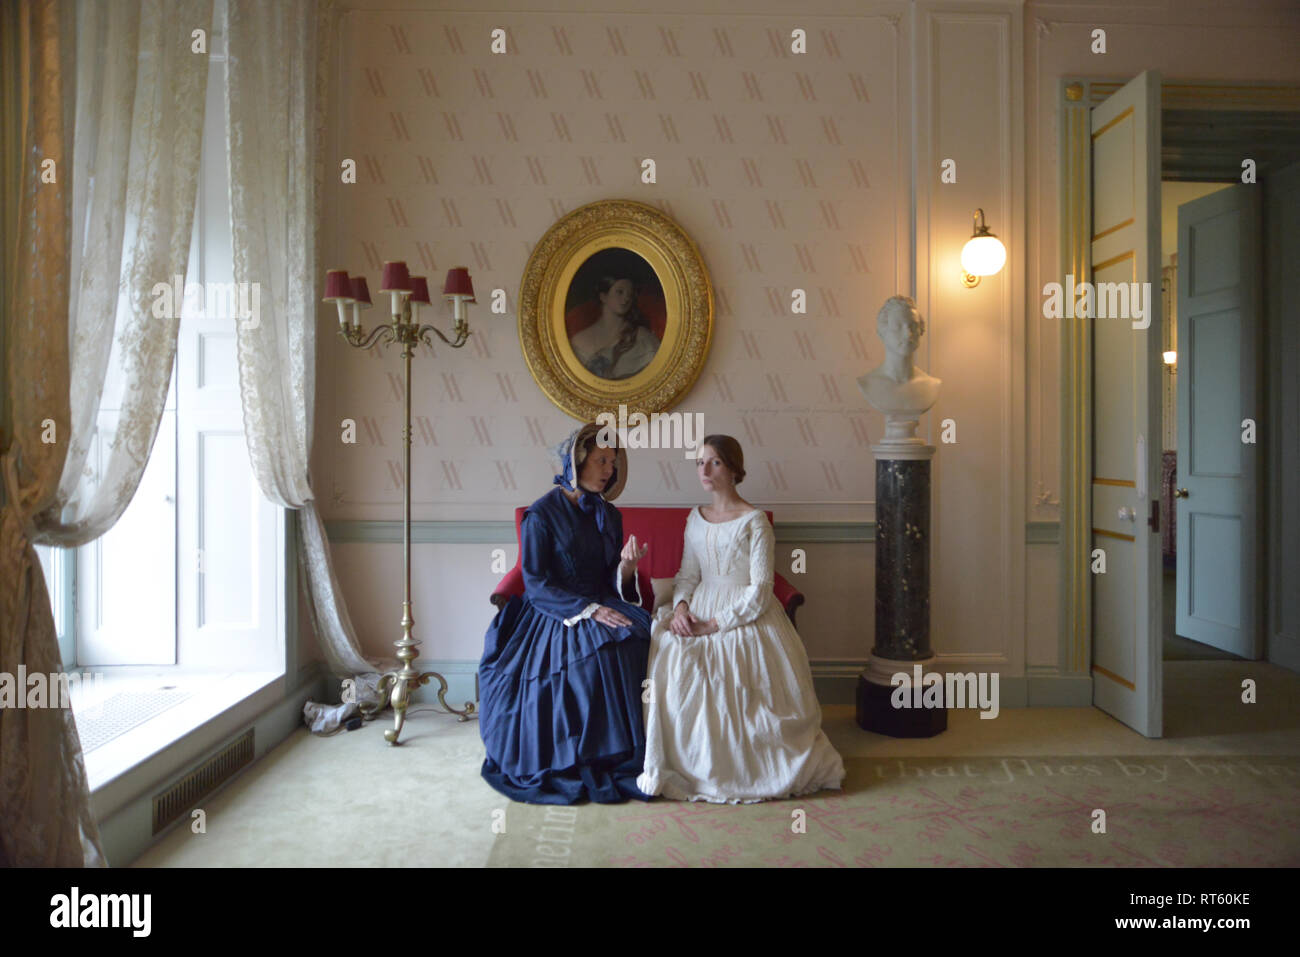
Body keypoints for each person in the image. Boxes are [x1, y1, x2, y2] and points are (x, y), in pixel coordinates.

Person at [638, 435, 846, 803]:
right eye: (699, 462)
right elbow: (688, 575)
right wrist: (683, 608)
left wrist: (715, 624)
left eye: (714, 462)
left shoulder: (754, 522)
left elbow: (762, 589)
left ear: (733, 469)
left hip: (744, 613)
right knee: (669, 647)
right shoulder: (694, 518)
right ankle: (689, 762)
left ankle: (746, 764)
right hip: (700, 602)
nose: (703, 469)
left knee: (728, 666)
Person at [478, 423, 653, 804]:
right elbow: (536, 582)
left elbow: (609, 574)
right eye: (601, 460)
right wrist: (588, 611)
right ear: (576, 461)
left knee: (639, 639)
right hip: (554, 610)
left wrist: (625, 568)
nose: (608, 469)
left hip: (603, 598)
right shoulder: (540, 515)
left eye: (613, 462)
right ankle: (589, 753)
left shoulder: (610, 515)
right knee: (600, 653)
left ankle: (637, 751)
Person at [569, 276, 660, 380]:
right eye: (620, 292)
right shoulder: (579, 340)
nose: (626, 298)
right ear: (603, 296)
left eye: (630, 294)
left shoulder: (642, 337)